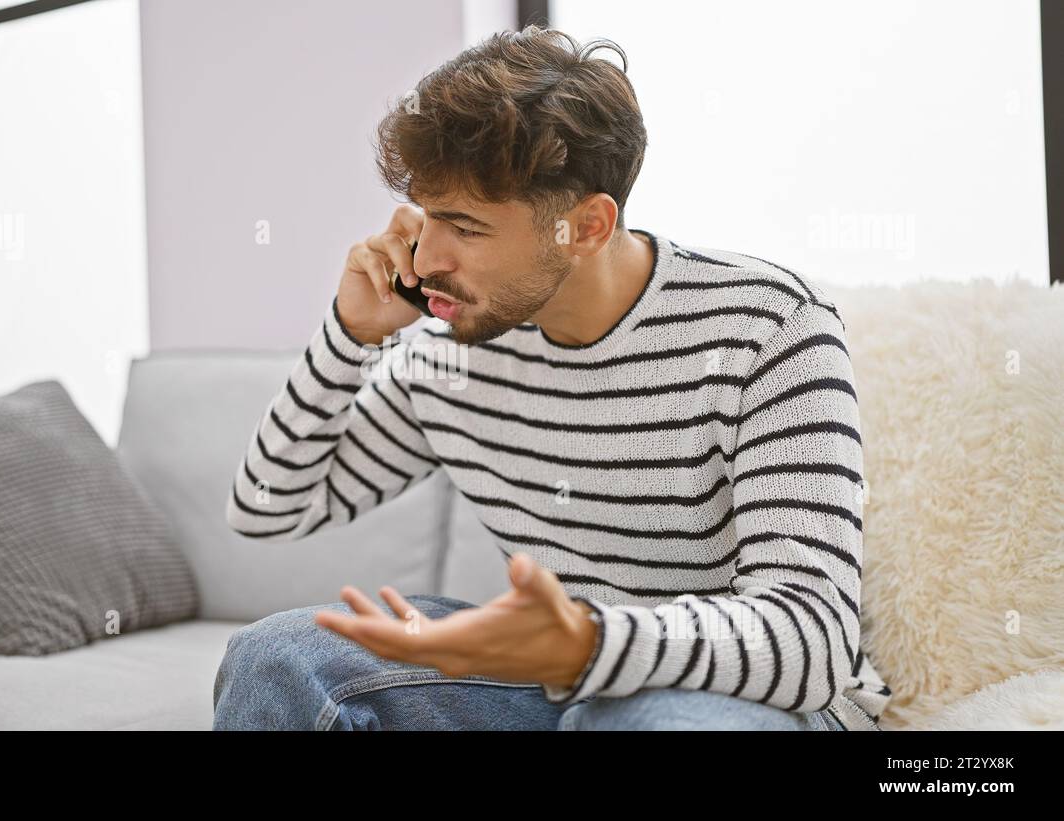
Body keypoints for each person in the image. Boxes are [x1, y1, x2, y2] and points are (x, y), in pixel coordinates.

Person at [217, 25, 891, 731]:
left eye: (466, 228)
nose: (425, 255)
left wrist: (588, 642)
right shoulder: (454, 353)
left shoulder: (769, 327)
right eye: (426, 214)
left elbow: (812, 640)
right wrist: (349, 337)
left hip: (729, 699)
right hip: (547, 684)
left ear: (588, 227)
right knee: (280, 657)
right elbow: (267, 507)